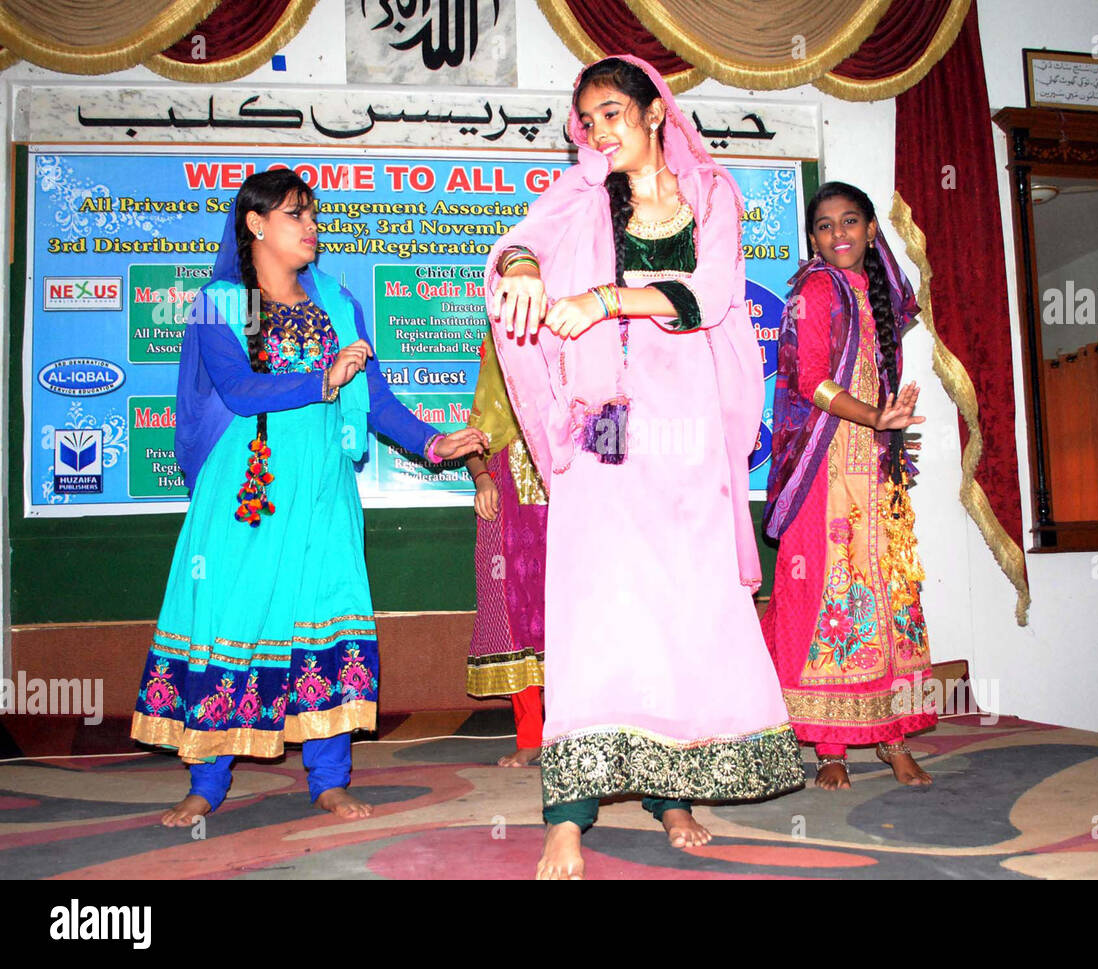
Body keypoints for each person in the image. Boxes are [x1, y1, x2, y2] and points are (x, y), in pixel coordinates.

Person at [485, 55, 805, 879]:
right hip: (606, 423)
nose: (596, 132)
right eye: (585, 121)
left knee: (683, 598)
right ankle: (568, 813)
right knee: (593, 600)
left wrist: (602, 298)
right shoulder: (583, 195)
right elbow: (522, 241)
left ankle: (676, 789)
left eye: (610, 114)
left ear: (654, 113)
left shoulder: (712, 195)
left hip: (689, 423)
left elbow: (711, 294)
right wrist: (522, 267)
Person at [129, 170, 487, 826]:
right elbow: (238, 390)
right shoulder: (220, 302)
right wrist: (322, 379)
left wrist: (437, 444)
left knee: (327, 615)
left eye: (314, 215)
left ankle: (328, 777)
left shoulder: (334, 301)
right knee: (232, 617)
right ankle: (206, 780)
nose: (311, 227)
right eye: (297, 214)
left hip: (323, 492)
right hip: (251, 492)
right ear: (255, 223)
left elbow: (373, 399)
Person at [761, 181, 937, 792]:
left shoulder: (881, 294)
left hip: (878, 472)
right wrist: (872, 418)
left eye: (851, 221)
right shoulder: (815, 289)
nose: (839, 234)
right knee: (830, 601)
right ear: (812, 238)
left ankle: (891, 738)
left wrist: (886, 433)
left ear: (869, 231)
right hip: (825, 468)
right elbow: (810, 381)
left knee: (888, 597)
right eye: (826, 225)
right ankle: (829, 747)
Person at [464, 332, 547, 768]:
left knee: (576, 612)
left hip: (571, 490)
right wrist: (481, 479)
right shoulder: (499, 346)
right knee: (513, 612)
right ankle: (530, 735)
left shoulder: (577, 346)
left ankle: (578, 731)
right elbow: (475, 443)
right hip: (507, 499)